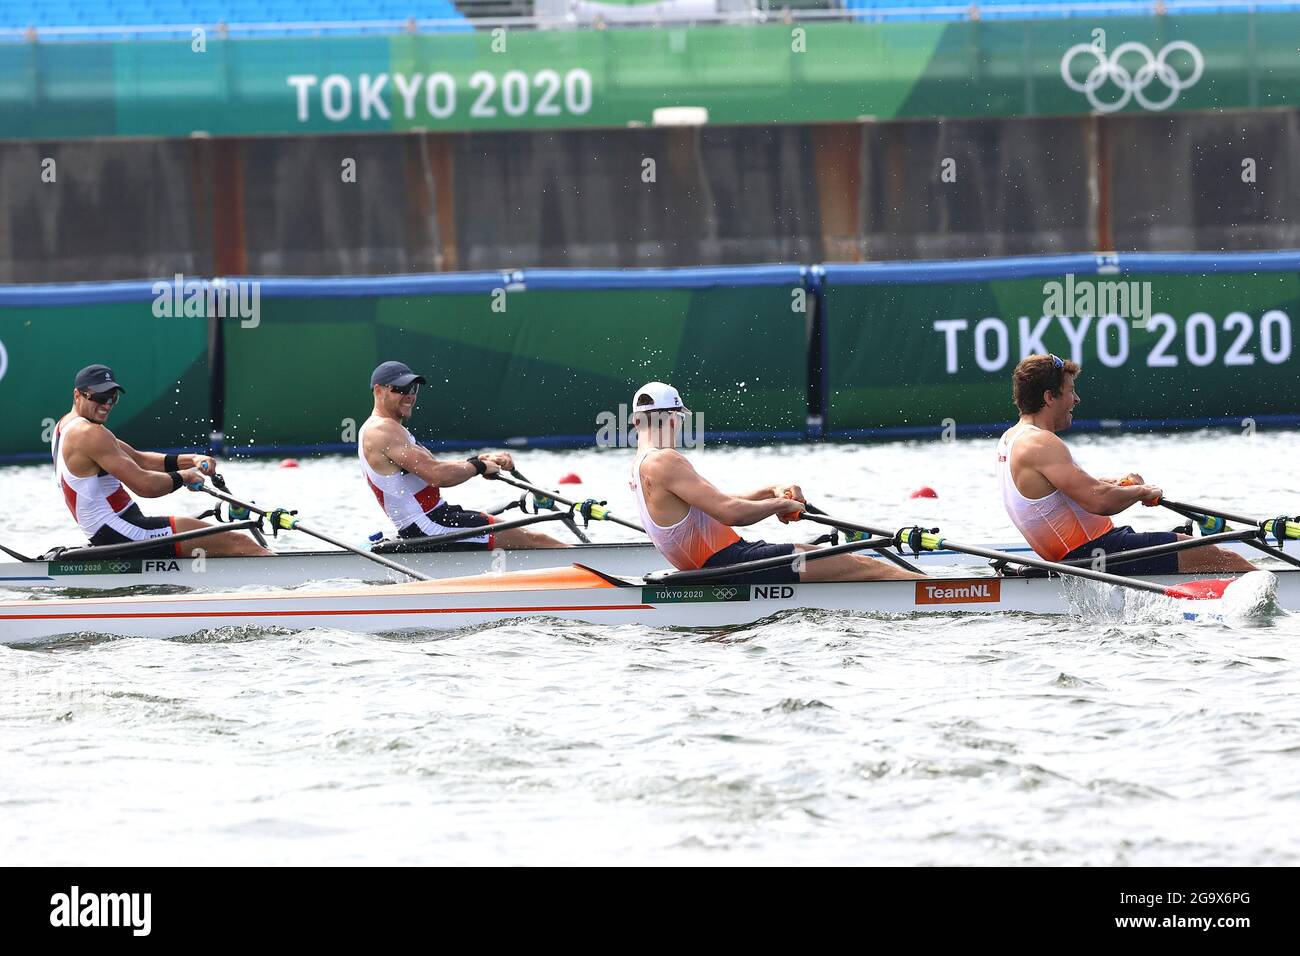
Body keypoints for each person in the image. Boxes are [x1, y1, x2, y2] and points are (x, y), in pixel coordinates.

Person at [628, 381, 922, 582]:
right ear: (671, 418)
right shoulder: (666, 461)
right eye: (680, 419)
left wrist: (771, 491)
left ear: (636, 421)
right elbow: (730, 513)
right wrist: (781, 503)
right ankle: (937, 588)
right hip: (734, 564)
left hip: (723, 563)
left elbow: (714, 505)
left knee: (840, 563)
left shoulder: (640, 465)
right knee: (866, 567)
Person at [997, 354, 1253, 574]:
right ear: (1049, 397)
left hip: (1085, 554)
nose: (1077, 399)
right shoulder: (1040, 443)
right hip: (1096, 554)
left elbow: (1069, 489)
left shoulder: (1011, 439)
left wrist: (1119, 483)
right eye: (1071, 390)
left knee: (1187, 545)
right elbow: (1100, 502)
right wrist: (1142, 492)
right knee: (1223, 558)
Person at [52, 364, 269, 558]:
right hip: (122, 532)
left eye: (112, 398)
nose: (107, 405)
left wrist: (192, 459)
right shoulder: (88, 433)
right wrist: (183, 477)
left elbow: (140, 459)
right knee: (238, 544)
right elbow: (145, 486)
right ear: (78, 395)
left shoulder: (66, 426)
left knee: (220, 545)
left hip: (112, 530)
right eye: (100, 397)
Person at [358, 360, 567, 548]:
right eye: (401, 389)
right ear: (378, 391)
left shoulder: (384, 429)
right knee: (540, 542)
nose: (410, 396)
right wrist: (478, 466)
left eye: (413, 389)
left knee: (530, 537)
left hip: (436, 518)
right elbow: (437, 475)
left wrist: (480, 460)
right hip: (429, 525)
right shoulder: (382, 430)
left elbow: (434, 465)